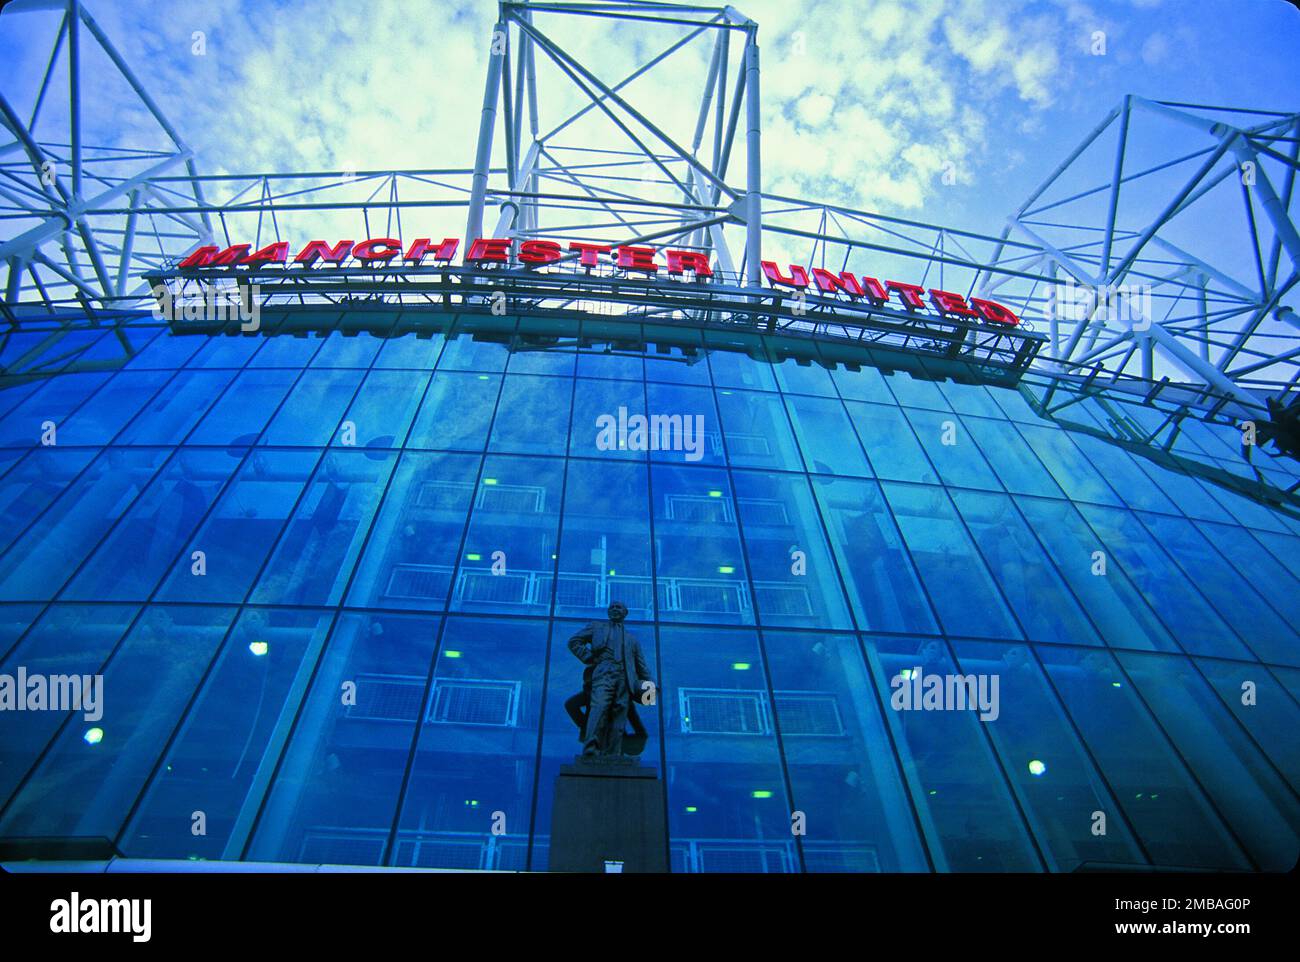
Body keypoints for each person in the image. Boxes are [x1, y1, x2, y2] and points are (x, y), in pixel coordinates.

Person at [567, 601, 654, 756]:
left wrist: (652, 687)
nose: (614, 609)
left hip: (625, 677)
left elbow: (641, 666)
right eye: (612, 607)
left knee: (619, 713)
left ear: (625, 613)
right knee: (599, 707)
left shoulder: (632, 640)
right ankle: (590, 749)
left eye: (618, 607)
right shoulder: (597, 627)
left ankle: (613, 752)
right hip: (604, 672)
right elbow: (574, 642)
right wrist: (588, 657)